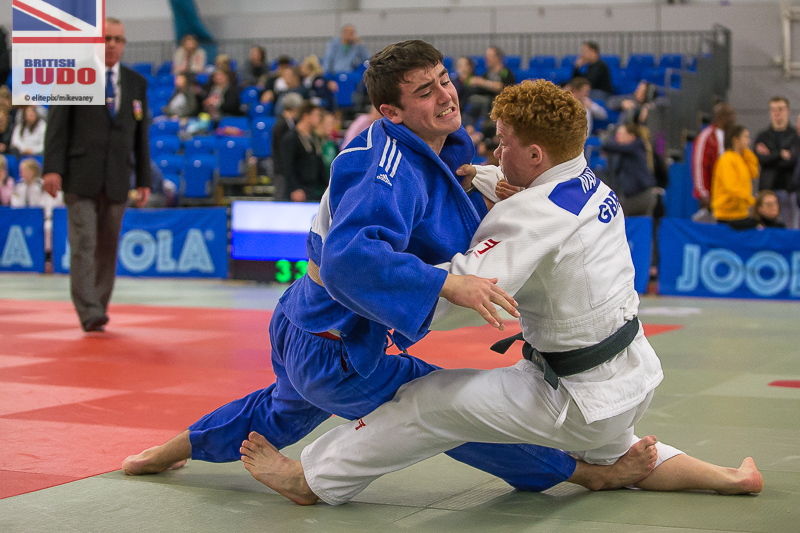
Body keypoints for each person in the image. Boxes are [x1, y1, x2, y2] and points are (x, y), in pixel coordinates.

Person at [123, 41, 658, 495]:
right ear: (391, 112)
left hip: (303, 324)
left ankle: (176, 447)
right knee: (451, 411)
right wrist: (446, 281)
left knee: (278, 411)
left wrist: (493, 191)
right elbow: (349, 258)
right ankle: (585, 474)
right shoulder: (387, 170)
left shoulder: (430, 146)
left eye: (444, 79)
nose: (446, 95)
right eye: (424, 92)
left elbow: (448, 200)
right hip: (337, 346)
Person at [236, 80, 764, 506]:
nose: (494, 149)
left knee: (424, 404)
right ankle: (728, 477)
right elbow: (521, 192)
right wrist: (476, 176)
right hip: (631, 378)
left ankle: (311, 480)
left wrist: (379, 279)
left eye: (504, 142)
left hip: (568, 395)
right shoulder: (588, 187)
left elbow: (462, 297)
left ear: (534, 153)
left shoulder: (529, 215)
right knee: (617, 450)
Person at [42, 17, 151, 333]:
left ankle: (98, 307)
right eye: (106, 38)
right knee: (85, 243)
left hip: (118, 178)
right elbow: (57, 127)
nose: (113, 44)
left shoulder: (135, 83)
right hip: (80, 176)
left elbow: (140, 137)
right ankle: (88, 309)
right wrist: (52, 168)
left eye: (118, 39)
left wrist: (143, 179)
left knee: (107, 247)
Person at [754, 96, 798, 228]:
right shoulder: (762, 136)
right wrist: (780, 154)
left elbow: (791, 160)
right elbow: (761, 159)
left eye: (780, 109)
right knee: (766, 230)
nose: (777, 113)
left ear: (788, 111)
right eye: (773, 110)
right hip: (767, 189)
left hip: (789, 189)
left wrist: (770, 155)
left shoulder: (795, 135)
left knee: (789, 229)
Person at [601, 122, 658, 217]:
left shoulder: (636, 145)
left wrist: (605, 139)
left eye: (621, 133)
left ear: (631, 136)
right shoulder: (631, 149)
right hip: (637, 195)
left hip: (643, 195)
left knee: (614, 211)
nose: (617, 136)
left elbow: (608, 146)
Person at [692, 102, 736, 217]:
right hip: (711, 196)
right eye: (730, 115)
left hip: (728, 197)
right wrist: (703, 194)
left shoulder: (733, 137)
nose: (734, 118)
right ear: (721, 117)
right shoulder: (707, 136)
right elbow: (699, 166)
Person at [711, 125, 759, 230]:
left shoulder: (741, 159)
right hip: (727, 213)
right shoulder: (727, 159)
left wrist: (747, 153)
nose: (748, 141)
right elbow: (731, 186)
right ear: (735, 139)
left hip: (741, 212)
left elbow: (754, 173)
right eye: (745, 137)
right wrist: (750, 200)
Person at [12, 157, 63, 253]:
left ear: (33, 171)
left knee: (48, 227)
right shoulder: (19, 186)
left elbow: (50, 203)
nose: (22, 173)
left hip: (41, 217)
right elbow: (15, 203)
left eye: (25, 170)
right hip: (24, 217)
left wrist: (40, 215)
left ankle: (47, 255)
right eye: (21, 170)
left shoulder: (42, 185)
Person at [280, 102, 326, 202]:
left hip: (312, 189)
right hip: (297, 190)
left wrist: (326, 185)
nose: (319, 119)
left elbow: (319, 163)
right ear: (306, 116)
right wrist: (295, 188)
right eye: (317, 115)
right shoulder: (291, 138)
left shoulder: (315, 138)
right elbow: (287, 166)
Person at [466, 47, 516, 129]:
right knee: (473, 99)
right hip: (486, 105)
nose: (486, 59)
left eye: (489, 56)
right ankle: (470, 127)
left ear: (497, 58)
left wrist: (482, 83)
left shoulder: (506, 72)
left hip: (501, 105)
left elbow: (502, 87)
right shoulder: (486, 74)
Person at [270, 92, 304, 201]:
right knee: (281, 197)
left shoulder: (290, 123)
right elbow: (282, 151)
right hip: (281, 170)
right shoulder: (281, 126)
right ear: (295, 108)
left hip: (287, 170)